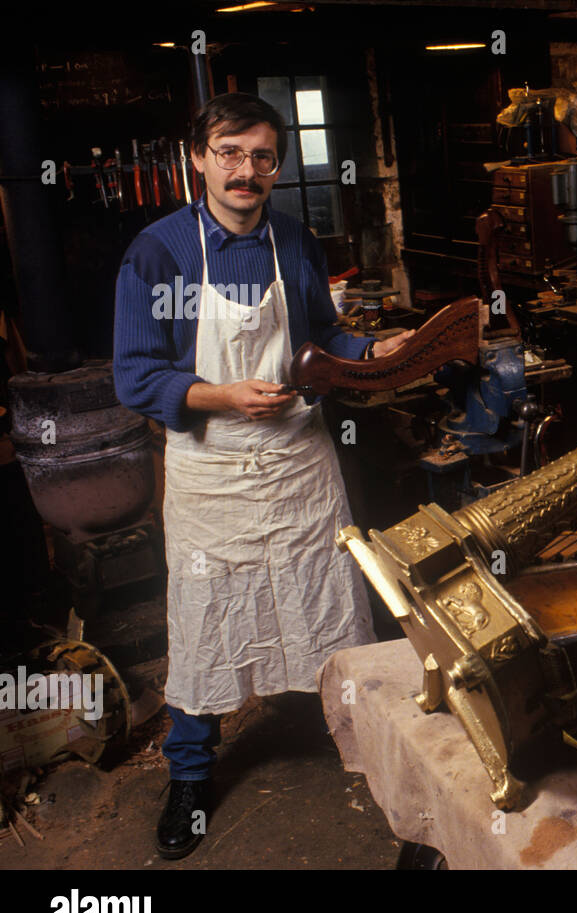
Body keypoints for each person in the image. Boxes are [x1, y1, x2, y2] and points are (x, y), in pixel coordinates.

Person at [113, 92, 413, 860]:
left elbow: (323, 333)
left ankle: (367, 739)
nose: (245, 171)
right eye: (228, 153)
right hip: (212, 471)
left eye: (261, 157)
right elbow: (136, 375)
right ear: (198, 158)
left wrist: (374, 350)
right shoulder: (160, 251)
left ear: (277, 165)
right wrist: (222, 395)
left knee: (329, 599)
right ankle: (189, 775)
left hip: (298, 462)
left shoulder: (292, 239)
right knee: (206, 620)